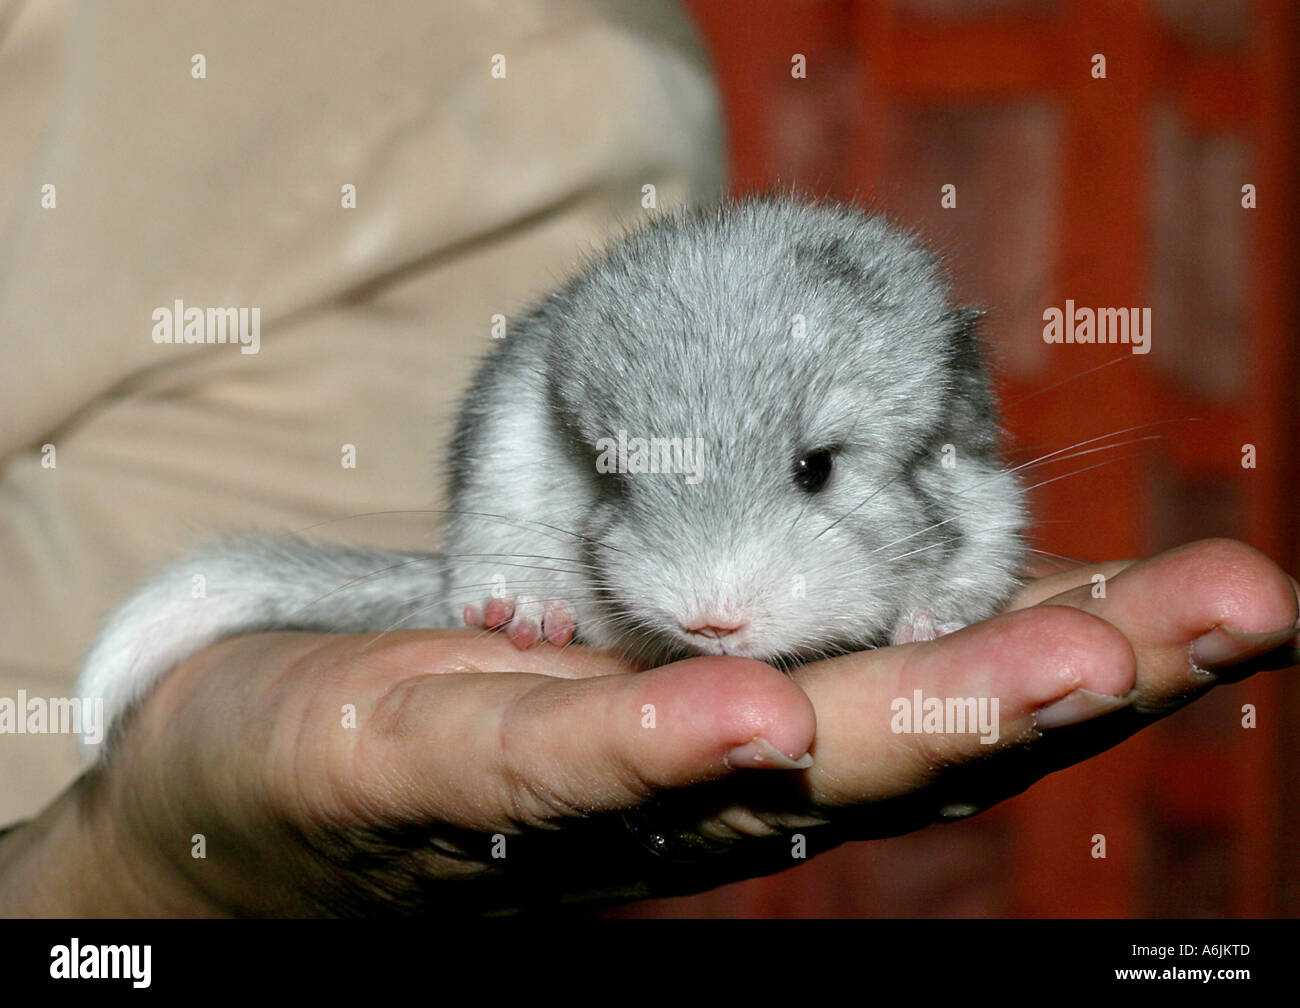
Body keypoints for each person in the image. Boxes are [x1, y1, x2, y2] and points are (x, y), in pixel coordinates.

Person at [0, 2, 1296, 915]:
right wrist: (506, 565)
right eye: (628, 484)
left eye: (810, 476)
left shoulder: (508, 86)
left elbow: (980, 511)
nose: (711, 607)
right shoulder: (555, 378)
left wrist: (942, 601)